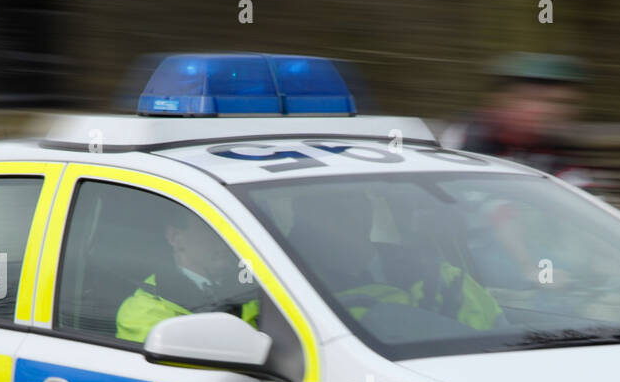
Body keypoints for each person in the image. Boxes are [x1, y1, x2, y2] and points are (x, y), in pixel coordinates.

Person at [288, 189, 503, 332]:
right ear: (305, 214)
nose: (350, 213)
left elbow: (499, 331)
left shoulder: (437, 272)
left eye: (355, 200)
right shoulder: (288, 282)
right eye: (333, 207)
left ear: (368, 209)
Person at [443, 52, 589, 184]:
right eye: (535, 99)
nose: (551, 111)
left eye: (563, 102)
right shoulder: (463, 140)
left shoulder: (560, 156)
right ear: (501, 100)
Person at [115, 210, 259, 342]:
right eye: (213, 229)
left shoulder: (257, 279)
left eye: (232, 230)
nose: (227, 239)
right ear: (175, 238)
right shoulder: (144, 311)